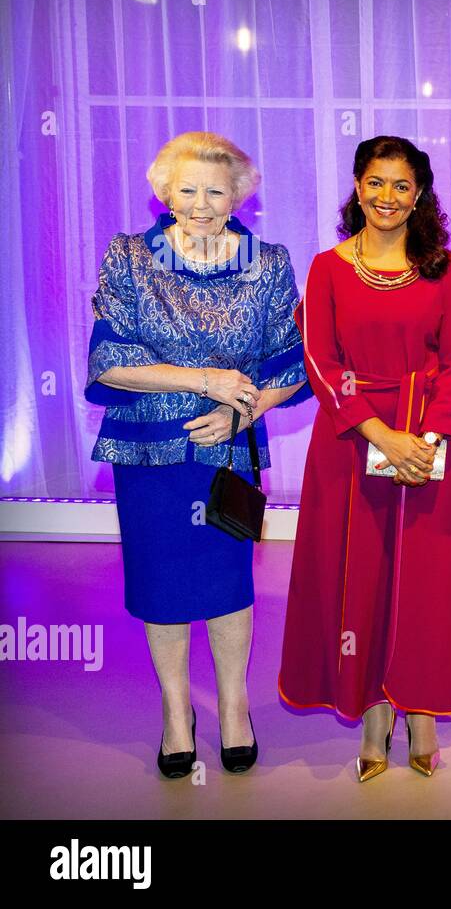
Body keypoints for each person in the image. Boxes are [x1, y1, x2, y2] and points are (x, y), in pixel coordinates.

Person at [85, 131, 308, 778]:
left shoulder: (268, 262)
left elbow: (292, 365)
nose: (203, 203)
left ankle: (236, 707)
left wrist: (243, 407)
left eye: (216, 190)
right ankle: (175, 713)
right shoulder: (128, 257)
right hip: (148, 448)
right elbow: (108, 361)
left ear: (239, 194)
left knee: (228, 583)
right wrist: (204, 380)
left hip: (227, 451)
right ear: (164, 192)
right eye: (188, 189)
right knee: (162, 584)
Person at [279, 136, 451, 783]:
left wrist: (422, 442)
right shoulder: (327, 267)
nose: (387, 197)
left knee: (427, 582)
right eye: (376, 182)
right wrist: (380, 435)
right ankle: (373, 710)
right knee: (359, 580)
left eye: (401, 186)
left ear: (419, 194)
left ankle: (422, 708)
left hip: (433, 441)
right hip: (350, 444)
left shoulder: (445, 268)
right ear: (357, 186)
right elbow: (322, 361)